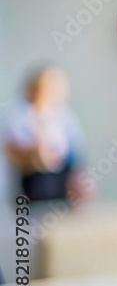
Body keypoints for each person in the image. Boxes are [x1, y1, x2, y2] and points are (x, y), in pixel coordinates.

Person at [3, 65, 92, 205]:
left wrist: (81, 182)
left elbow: (76, 153)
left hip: (62, 186)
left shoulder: (64, 117)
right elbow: (14, 153)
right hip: (33, 186)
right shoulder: (22, 115)